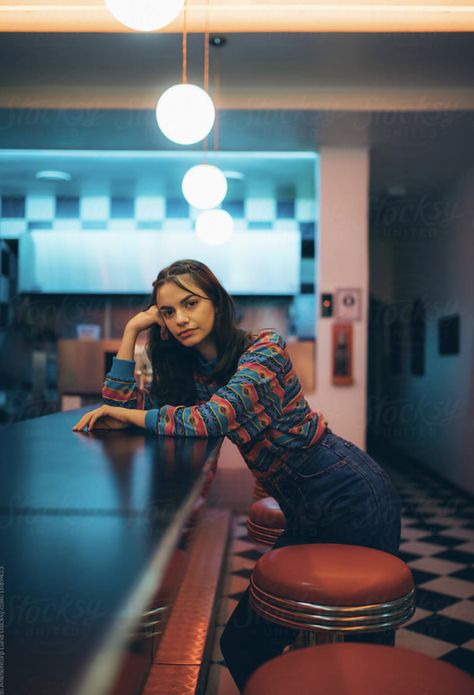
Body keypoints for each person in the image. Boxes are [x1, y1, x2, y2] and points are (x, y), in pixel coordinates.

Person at [72, 258, 402, 692]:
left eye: (190, 303)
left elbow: (210, 418)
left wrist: (126, 414)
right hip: (302, 506)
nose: (181, 318)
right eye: (168, 312)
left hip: (350, 492)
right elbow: (125, 408)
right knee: (244, 642)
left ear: (217, 302)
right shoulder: (193, 371)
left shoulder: (264, 349)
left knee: (365, 654)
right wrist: (133, 331)